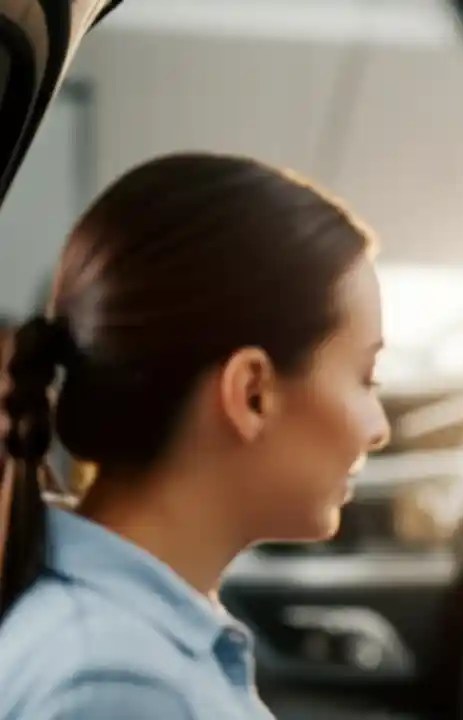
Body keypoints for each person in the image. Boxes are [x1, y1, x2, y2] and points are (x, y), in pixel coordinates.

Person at [0, 153, 390, 719]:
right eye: (366, 377)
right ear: (252, 392)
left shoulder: (123, 643)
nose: (379, 430)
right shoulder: (117, 681)